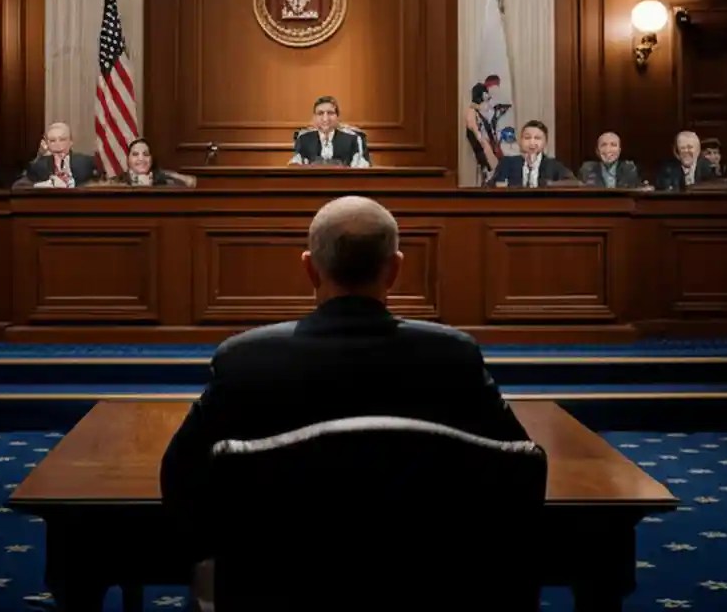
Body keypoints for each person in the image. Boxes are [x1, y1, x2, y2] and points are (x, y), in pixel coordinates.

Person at [161, 196, 529, 605]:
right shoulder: (453, 358)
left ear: (309, 268)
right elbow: (512, 476)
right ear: (395, 269)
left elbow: (182, 482)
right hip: (427, 586)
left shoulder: (245, 360)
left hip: (279, 587)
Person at [486, 120, 574, 187]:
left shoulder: (553, 165)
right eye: (527, 138)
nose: (532, 142)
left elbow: (574, 183)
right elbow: (489, 186)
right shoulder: (507, 163)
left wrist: (548, 183)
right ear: (520, 141)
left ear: (545, 142)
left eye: (537, 138)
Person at [288, 96, 370, 168]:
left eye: (330, 113)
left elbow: (361, 168)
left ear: (337, 117)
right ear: (314, 118)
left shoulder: (353, 139)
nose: (325, 118)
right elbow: (295, 166)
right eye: (320, 113)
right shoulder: (304, 139)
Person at [19, 122, 100, 188]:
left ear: (71, 142)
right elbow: (19, 186)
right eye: (52, 141)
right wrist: (42, 185)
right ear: (47, 143)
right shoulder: (39, 165)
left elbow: (104, 181)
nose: (58, 145)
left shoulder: (86, 162)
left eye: (62, 140)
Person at [111, 138, 196, 187]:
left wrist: (169, 175)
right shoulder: (117, 182)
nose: (141, 158)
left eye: (146, 154)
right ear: (128, 160)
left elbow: (191, 182)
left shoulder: (165, 179)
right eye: (135, 154)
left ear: (151, 159)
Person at [579, 131, 643, 189]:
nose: (608, 149)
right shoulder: (587, 169)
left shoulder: (629, 169)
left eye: (613, 145)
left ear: (619, 151)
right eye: (603, 145)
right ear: (597, 151)